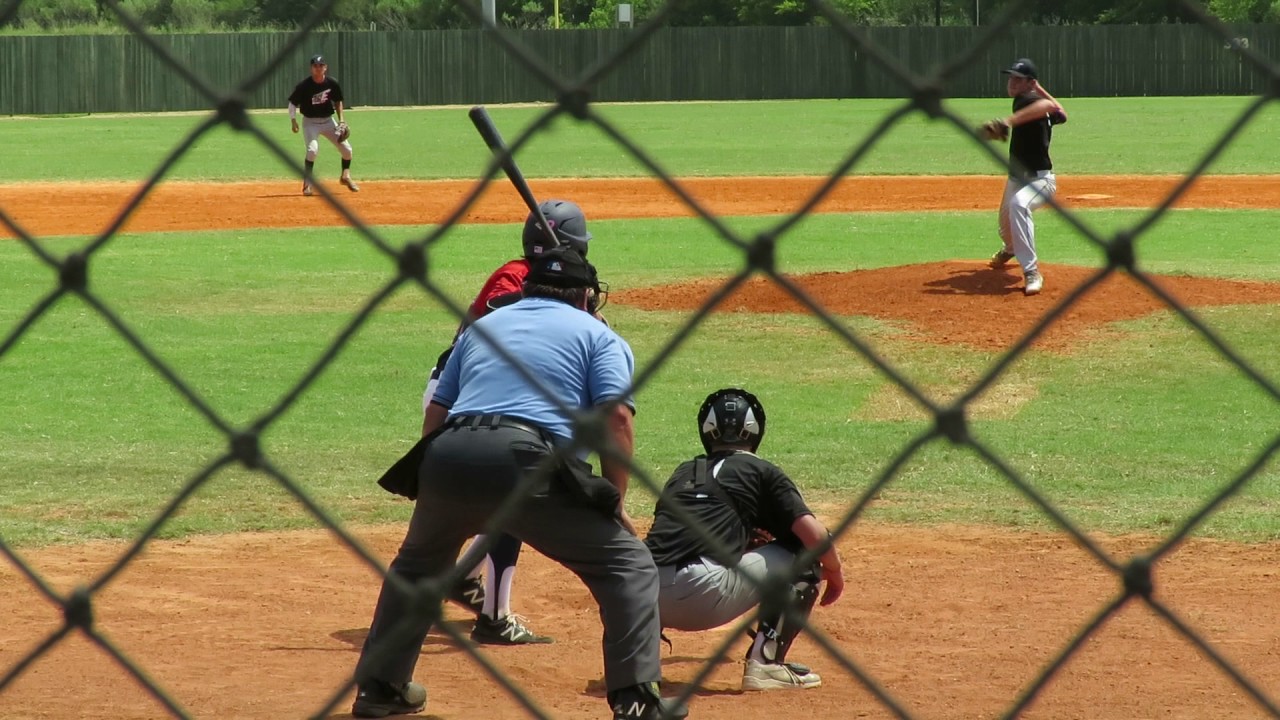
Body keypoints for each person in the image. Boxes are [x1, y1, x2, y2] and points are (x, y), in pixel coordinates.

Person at [353, 246, 685, 720]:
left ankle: (380, 688)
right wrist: (614, 499)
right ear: (585, 295)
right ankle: (636, 701)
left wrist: (437, 486)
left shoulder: (482, 328)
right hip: (526, 461)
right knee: (628, 566)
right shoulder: (599, 335)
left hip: (447, 453)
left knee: (416, 569)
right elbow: (616, 418)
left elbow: (436, 411)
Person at [423, 199, 595, 646]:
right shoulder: (515, 274)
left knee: (498, 498)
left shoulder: (563, 283)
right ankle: (495, 617)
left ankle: (465, 577)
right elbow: (503, 307)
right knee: (509, 501)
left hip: (491, 402)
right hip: (459, 395)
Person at [644, 388, 844, 691]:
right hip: (701, 595)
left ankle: (640, 668)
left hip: (639, 594)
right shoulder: (761, 470)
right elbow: (814, 536)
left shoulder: (686, 471)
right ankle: (766, 666)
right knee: (805, 555)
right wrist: (835, 573)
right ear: (755, 430)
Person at [986, 57, 1068, 296]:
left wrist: (1005, 122)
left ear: (1029, 84)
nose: (1011, 83)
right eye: (1010, 77)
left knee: (1019, 205)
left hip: (1040, 180)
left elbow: (1048, 107)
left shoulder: (1025, 100)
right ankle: (1011, 247)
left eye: (1018, 79)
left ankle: (1031, 271)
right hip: (1016, 179)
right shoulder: (1030, 99)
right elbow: (1060, 111)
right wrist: (1039, 87)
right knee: (1005, 227)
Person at [287, 54, 359, 197]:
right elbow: (292, 103)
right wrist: (293, 120)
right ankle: (307, 183)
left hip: (328, 121)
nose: (318, 68)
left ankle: (345, 176)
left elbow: (338, 101)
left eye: (321, 65)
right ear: (311, 68)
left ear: (325, 68)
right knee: (312, 151)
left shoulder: (332, 83)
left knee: (347, 150)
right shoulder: (304, 85)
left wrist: (342, 120)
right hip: (310, 122)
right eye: (315, 66)